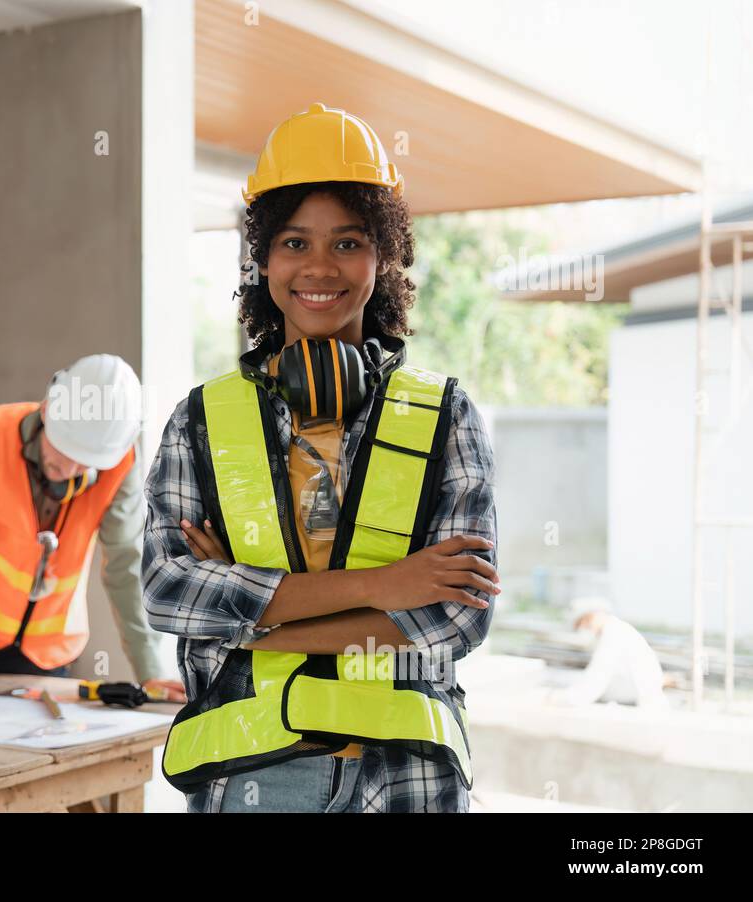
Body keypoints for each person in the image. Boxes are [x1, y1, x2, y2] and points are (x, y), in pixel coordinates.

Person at [143, 103, 500, 812]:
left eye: (347, 243)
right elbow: (167, 591)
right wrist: (389, 586)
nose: (318, 268)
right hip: (253, 775)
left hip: (406, 780)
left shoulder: (444, 415)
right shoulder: (202, 420)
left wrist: (256, 622)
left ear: (382, 257)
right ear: (264, 259)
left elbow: (458, 618)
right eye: (294, 242)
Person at [0, 354, 185, 702]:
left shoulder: (118, 468)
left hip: (44, 656)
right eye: (64, 450)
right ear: (46, 411)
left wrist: (150, 671)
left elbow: (127, 568)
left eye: (85, 461)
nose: (71, 468)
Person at [547, 597, 668, 709]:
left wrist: (558, 699)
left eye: (586, 620)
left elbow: (594, 683)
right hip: (641, 703)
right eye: (580, 625)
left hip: (644, 708)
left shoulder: (614, 636)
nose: (584, 626)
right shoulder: (616, 630)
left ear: (598, 613)